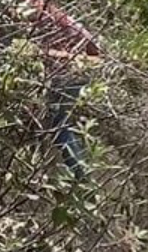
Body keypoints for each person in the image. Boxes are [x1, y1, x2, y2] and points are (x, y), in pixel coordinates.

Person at [25, 0, 103, 177]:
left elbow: (97, 55)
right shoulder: (52, 18)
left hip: (67, 77)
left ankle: (81, 177)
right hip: (53, 77)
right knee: (50, 121)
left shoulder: (62, 21)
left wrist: (57, 55)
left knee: (58, 124)